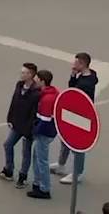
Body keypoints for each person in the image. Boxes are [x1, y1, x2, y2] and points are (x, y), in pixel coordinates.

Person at [56, 52, 101, 185]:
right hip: (74, 113)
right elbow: (71, 87)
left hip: (82, 116)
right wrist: (73, 75)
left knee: (78, 146)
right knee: (65, 139)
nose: (73, 64)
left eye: (76, 63)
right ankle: (61, 164)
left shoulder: (86, 83)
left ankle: (78, 172)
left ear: (82, 64)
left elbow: (73, 92)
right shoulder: (86, 74)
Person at [29, 67, 61, 199]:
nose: (34, 82)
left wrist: (34, 131)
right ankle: (38, 183)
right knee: (37, 157)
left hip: (44, 133)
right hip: (48, 132)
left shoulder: (47, 99)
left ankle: (44, 188)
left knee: (42, 160)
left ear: (42, 81)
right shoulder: (52, 93)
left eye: (36, 80)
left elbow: (44, 120)